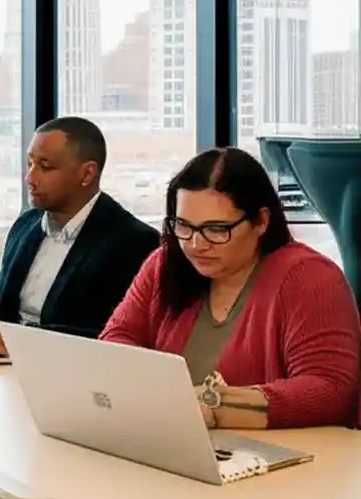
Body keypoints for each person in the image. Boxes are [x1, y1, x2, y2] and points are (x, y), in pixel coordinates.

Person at [101, 147, 360, 429]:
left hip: (280, 457)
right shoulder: (165, 263)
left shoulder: (309, 277)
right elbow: (117, 338)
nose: (196, 244)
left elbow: (329, 389)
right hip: (171, 440)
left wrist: (216, 407)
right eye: (184, 226)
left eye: (216, 229)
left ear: (261, 221)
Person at [0, 117, 158, 356]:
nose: (30, 178)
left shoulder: (134, 242)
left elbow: (112, 338)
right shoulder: (27, 224)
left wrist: (19, 342)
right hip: (6, 368)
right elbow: (1, 311)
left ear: (87, 173)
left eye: (45, 167)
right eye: (30, 164)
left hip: (67, 378)